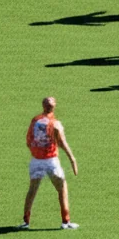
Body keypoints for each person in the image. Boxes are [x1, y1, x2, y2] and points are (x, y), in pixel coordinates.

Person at [21, 97, 79, 230]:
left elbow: (28, 141)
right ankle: (66, 221)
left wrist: (36, 151)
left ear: (43, 105)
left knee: (32, 190)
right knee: (62, 187)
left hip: (35, 161)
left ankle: (26, 221)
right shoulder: (55, 123)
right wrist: (72, 159)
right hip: (51, 161)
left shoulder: (35, 121)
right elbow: (62, 143)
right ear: (54, 107)